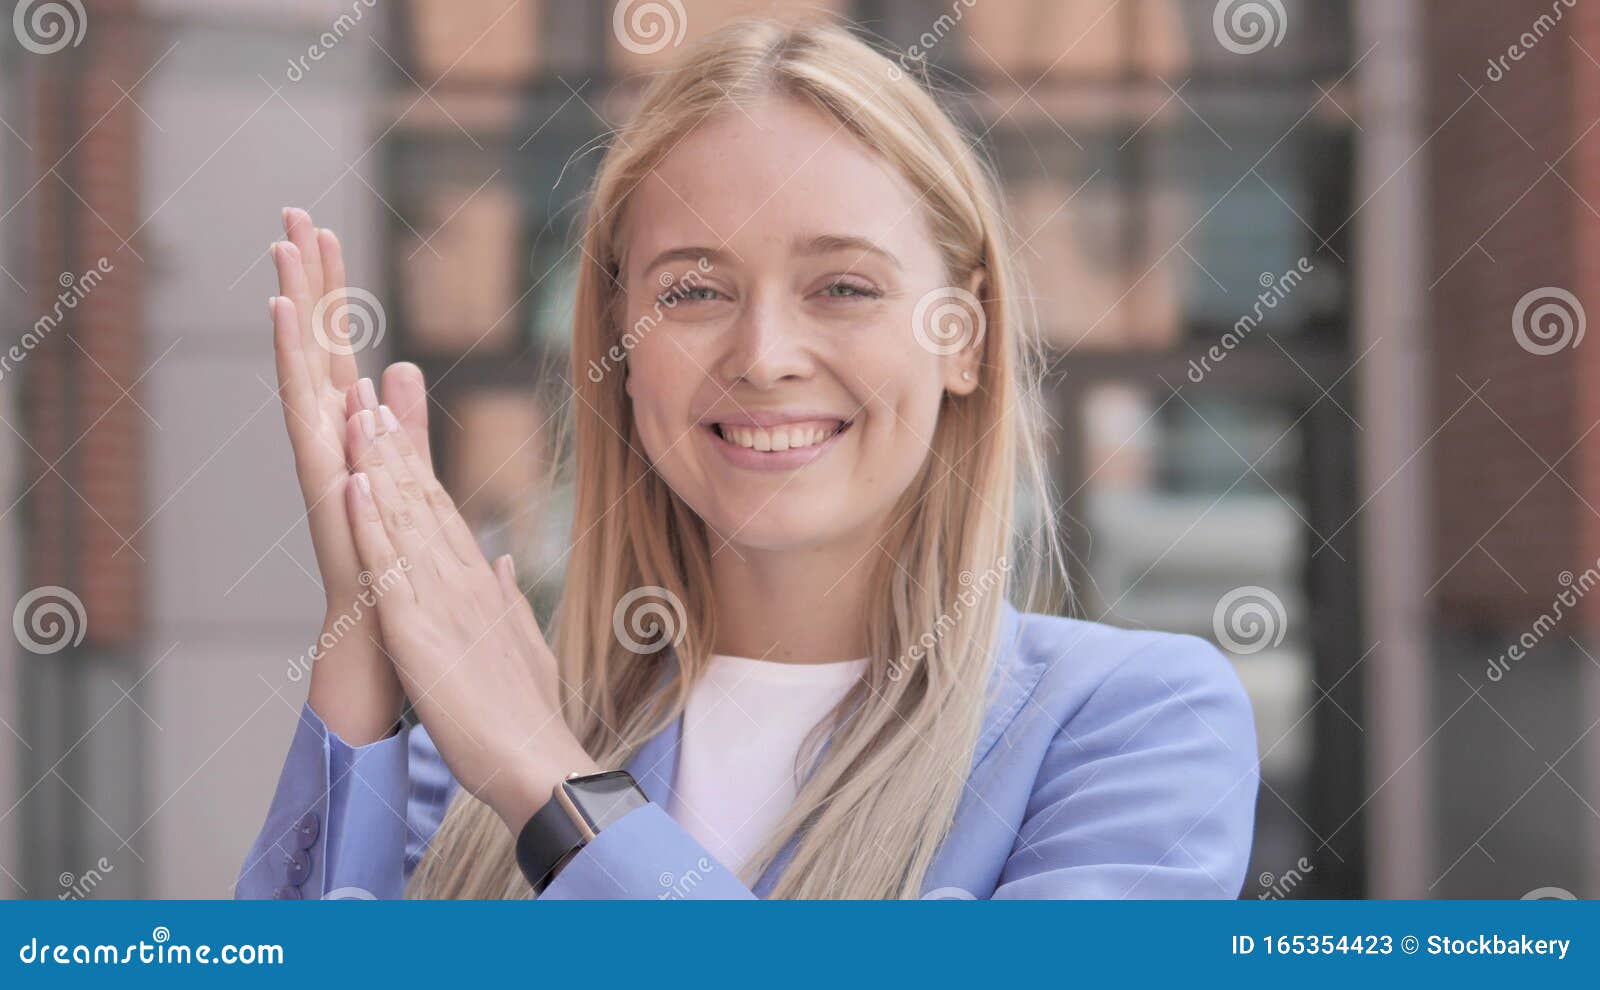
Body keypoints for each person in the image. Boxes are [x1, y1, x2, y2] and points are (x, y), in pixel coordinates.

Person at [237, 18, 1257, 901]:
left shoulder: (1133, 726)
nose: (764, 356)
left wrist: (557, 796)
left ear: (965, 338)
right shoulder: (462, 758)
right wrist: (364, 650)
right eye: (692, 292)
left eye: (842, 287)